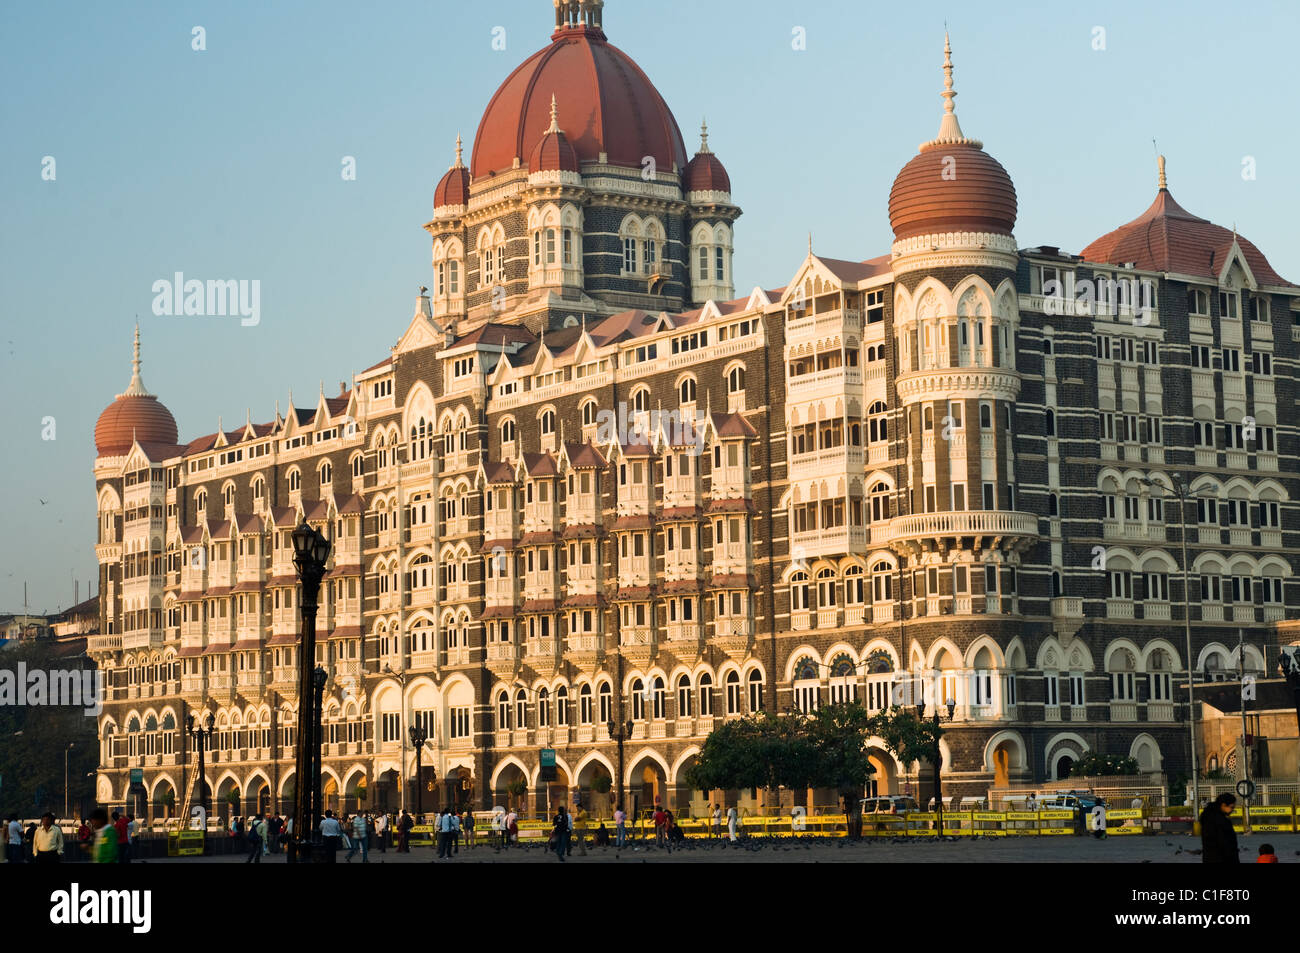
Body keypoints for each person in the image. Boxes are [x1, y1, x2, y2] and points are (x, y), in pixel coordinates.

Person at [1199, 794, 1239, 864]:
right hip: (1222, 858)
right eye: (1232, 807)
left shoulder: (1208, 817)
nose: (1232, 810)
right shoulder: (1220, 820)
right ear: (1223, 805)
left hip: (1210, 858)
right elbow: (1225, 843)